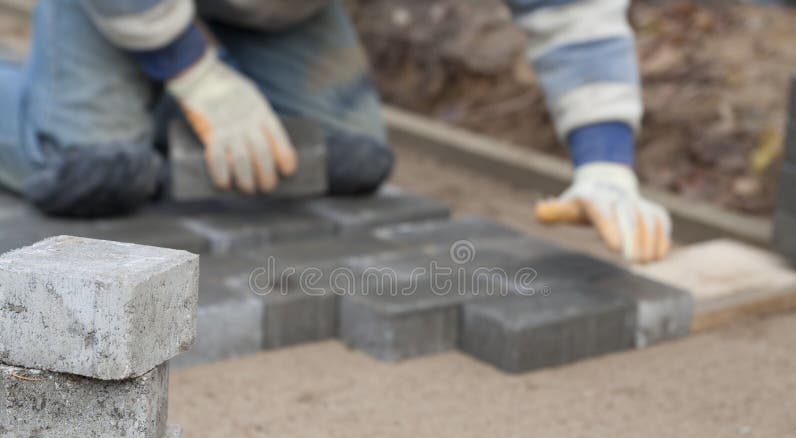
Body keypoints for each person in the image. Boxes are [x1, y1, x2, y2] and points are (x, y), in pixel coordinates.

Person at [0, 0, 670, 263]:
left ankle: (145, 97)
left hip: (279, 14)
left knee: (347, 161)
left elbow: (572, 14)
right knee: (94, 172)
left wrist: (606, 164)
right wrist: (198, 77)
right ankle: (86, 109)